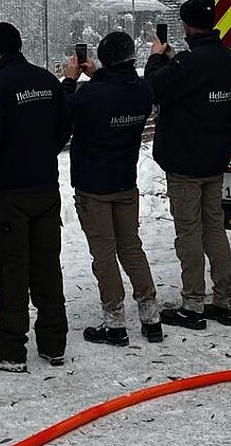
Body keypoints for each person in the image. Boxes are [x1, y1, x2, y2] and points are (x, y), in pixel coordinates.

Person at [0, 21, 71, 373]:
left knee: (13, 270)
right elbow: (65, 125)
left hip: (10, 193)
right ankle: (53, 343)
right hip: (46, 188)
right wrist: (43, 153)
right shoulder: (47, 81)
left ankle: (11, 349)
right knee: (48, 266)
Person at [144, 0, 231, 330]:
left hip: (186, 163)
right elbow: (191, 79)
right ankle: (224, 301)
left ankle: (193, 305)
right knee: (215, 229)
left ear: (186, 25)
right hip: (214, 160)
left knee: (189, 233)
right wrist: (173, 58)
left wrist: (157, 58)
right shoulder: (225, 57)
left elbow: (155, 87)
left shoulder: (191, 63)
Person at [61, 30, 162, 346]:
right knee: (131, 246)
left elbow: (63, 110)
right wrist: (100, 76)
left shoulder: (93, 95)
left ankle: (115, 322)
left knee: (104, 253)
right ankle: (150, 315)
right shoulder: (141, 91)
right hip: (124, 183)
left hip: (94, 187)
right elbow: (115, 90)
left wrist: (69, 79)